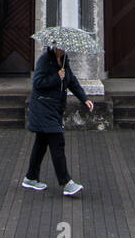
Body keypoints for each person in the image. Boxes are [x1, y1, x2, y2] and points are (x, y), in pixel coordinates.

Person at [21, 44, 94, 195]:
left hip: (54, 108)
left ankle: (30, 177)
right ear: (54, 47)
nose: (62, 50)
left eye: (65, 48)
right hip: (43, 107)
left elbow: (71, 81)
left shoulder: (65, 61)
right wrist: (56, 77)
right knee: (57, 142)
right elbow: (38, 83)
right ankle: (66, 182)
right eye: (59, 47)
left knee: (41, 143)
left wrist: (84, 99)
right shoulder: (44, 60)